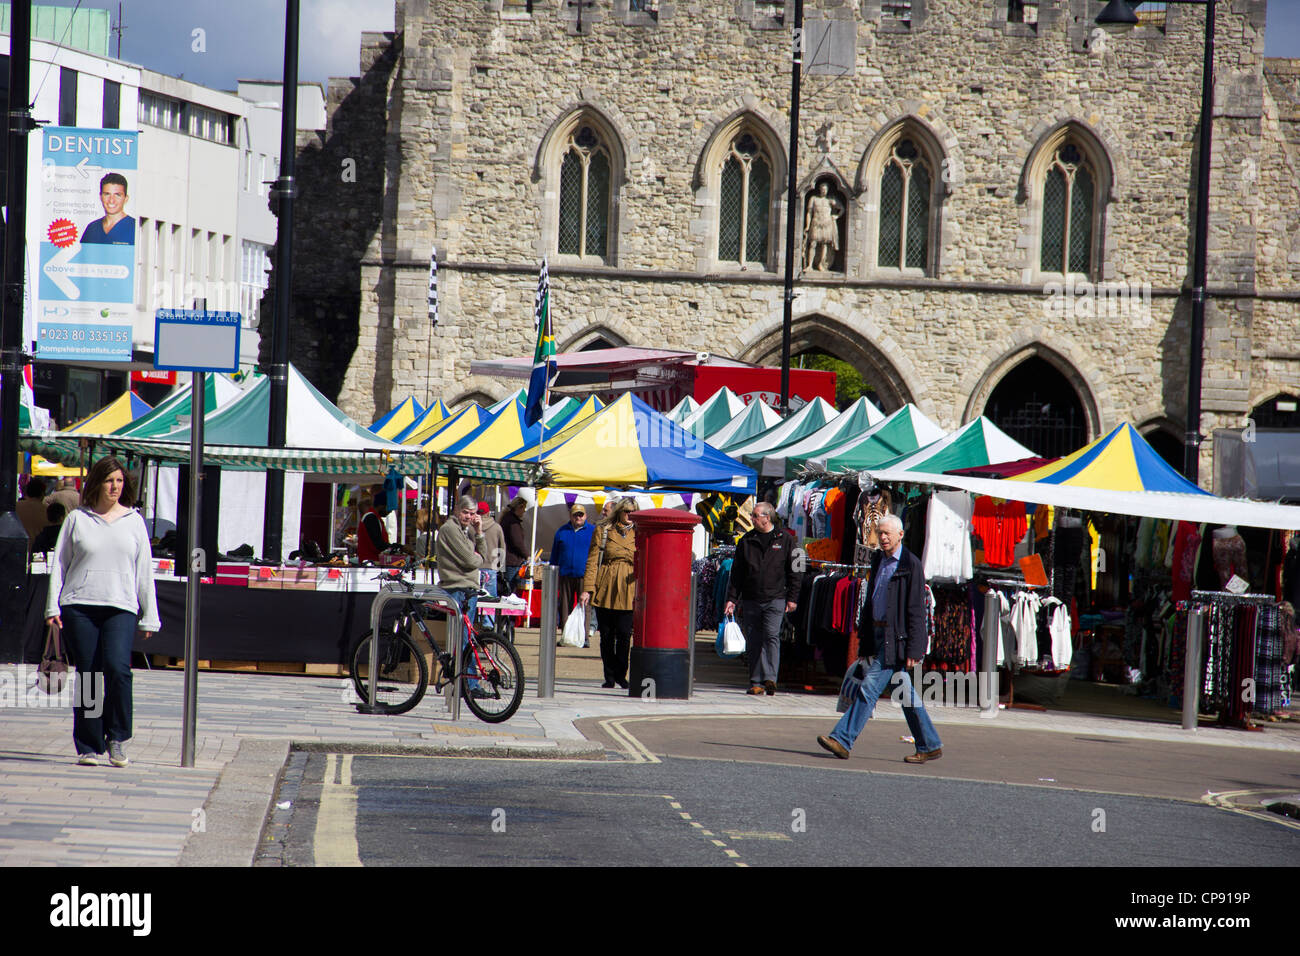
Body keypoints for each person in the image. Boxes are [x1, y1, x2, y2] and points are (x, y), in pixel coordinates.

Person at [45, 455, 159, 767]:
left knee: (119, 669)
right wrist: (52, 606)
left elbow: (144, 571)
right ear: (97, 482)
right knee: (90, 674)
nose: (115, 487)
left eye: (120, 481)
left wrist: (150, 615)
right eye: (109, 480)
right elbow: (60, 565)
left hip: (121, 607)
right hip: (79, 606)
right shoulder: (76, 519)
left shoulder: (134, 521)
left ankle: (118, 738)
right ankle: (89, 744)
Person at [817, 514, 944, 764]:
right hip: (876, 633)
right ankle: (929, 744)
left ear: (900, 535)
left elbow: (917, 610)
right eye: (880, 532)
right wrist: (864, 641)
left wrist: (915, 649)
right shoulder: (878, 559)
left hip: (894, 638)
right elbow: (871, 601)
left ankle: (842, 739)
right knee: (905, 693)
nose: (883, 537)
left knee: (869, 688)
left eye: (887, 533)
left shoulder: (911, 564)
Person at [724, 501, 801, 696]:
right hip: (751, 598)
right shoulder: (746, 540)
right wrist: (732, 598)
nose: (752, 519)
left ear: (767, 517)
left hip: (775, 598)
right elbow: (737, 573)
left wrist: (793, 597)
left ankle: (770, 678)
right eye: (753, 516)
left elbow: (797, 571)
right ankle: (756, 681)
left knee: (771, 636)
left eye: (755, 516)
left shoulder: (786, 539)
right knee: (754, 640)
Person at [580, 497, 637, 689]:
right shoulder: (603, 530)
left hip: (629, 588)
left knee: (624, 634)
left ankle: (622, 674)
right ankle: (610, 676)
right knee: (606, 635)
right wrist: (587, 589)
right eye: (627, 511)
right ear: (619, 511)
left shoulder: (639, 532)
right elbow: (592, 561)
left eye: (633, 511)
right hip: (606, 586)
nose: (630, 515)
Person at [436, 495, 489, 694]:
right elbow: (471, 561)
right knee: (465, 638)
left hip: (466, 588)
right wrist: (476, 557)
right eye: (465, 512)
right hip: (457, 588)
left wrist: (480, 532)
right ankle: (470, 683)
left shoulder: (465, 531)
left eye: (472, 513)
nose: (468, 516)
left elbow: (480, 557)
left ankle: (467, 681)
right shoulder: (450, 529)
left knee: (468, 638)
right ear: (457, 510)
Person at [550, 503, 594, 643]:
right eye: (576, 514)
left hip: (584, 575)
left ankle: (584, 637)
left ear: (586, 516)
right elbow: (554, 555)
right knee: (564, 607)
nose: (578, 517)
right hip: (565, 574)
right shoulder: (562, 531)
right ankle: (566, 636)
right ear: (571, 516)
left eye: (581, 514)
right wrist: (553, 572)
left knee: (585, 607)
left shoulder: (593, 531)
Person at [81, 173, 135, 245]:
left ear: (126, 199)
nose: (111, 200)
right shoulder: (92, 229)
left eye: (117, 195)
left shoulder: (135, 229)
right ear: (100, 197)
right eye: (107, 194)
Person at [500, 495, 529, 593]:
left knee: (507, 588)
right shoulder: (513, 522)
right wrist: (527, 555)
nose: (524, 511)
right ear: (519, 507)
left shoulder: (507, 518)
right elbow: (518, 542)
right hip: (512, 561)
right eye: (524, 508)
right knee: (510, 590)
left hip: (507, 560)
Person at [477, 502, 506, 597]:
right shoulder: (497, 528)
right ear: (488, 513)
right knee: (491, 604)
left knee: (474, 602)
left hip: (475, 568)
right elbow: (502, 549)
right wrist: (501, 568)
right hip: (491, 567)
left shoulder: (471, 527)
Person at [356, 485, 390, 564]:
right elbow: (378, 545)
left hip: (373, 562)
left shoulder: (375, 518)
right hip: (370, 563)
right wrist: (397, 548)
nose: (389, 512)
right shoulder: (370, 518)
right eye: (388, 508)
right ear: (381, 506)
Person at [17, 477, 49, 545]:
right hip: (38, 549)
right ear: (42, 493)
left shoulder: (15, 507)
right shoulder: (47, 509)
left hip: (18, 546)